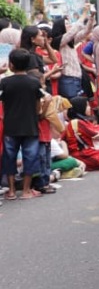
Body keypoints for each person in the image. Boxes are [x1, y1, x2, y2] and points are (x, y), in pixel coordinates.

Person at [1, 48, 45, 200]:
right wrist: (38, 114)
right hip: (30, 125)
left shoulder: (4, 82)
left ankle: (12, 190)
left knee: (9, 157)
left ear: (11, 65)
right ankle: (26, 190)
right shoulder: (34, 82)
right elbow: (38, 104)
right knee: (30, 157)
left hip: (11, 125)